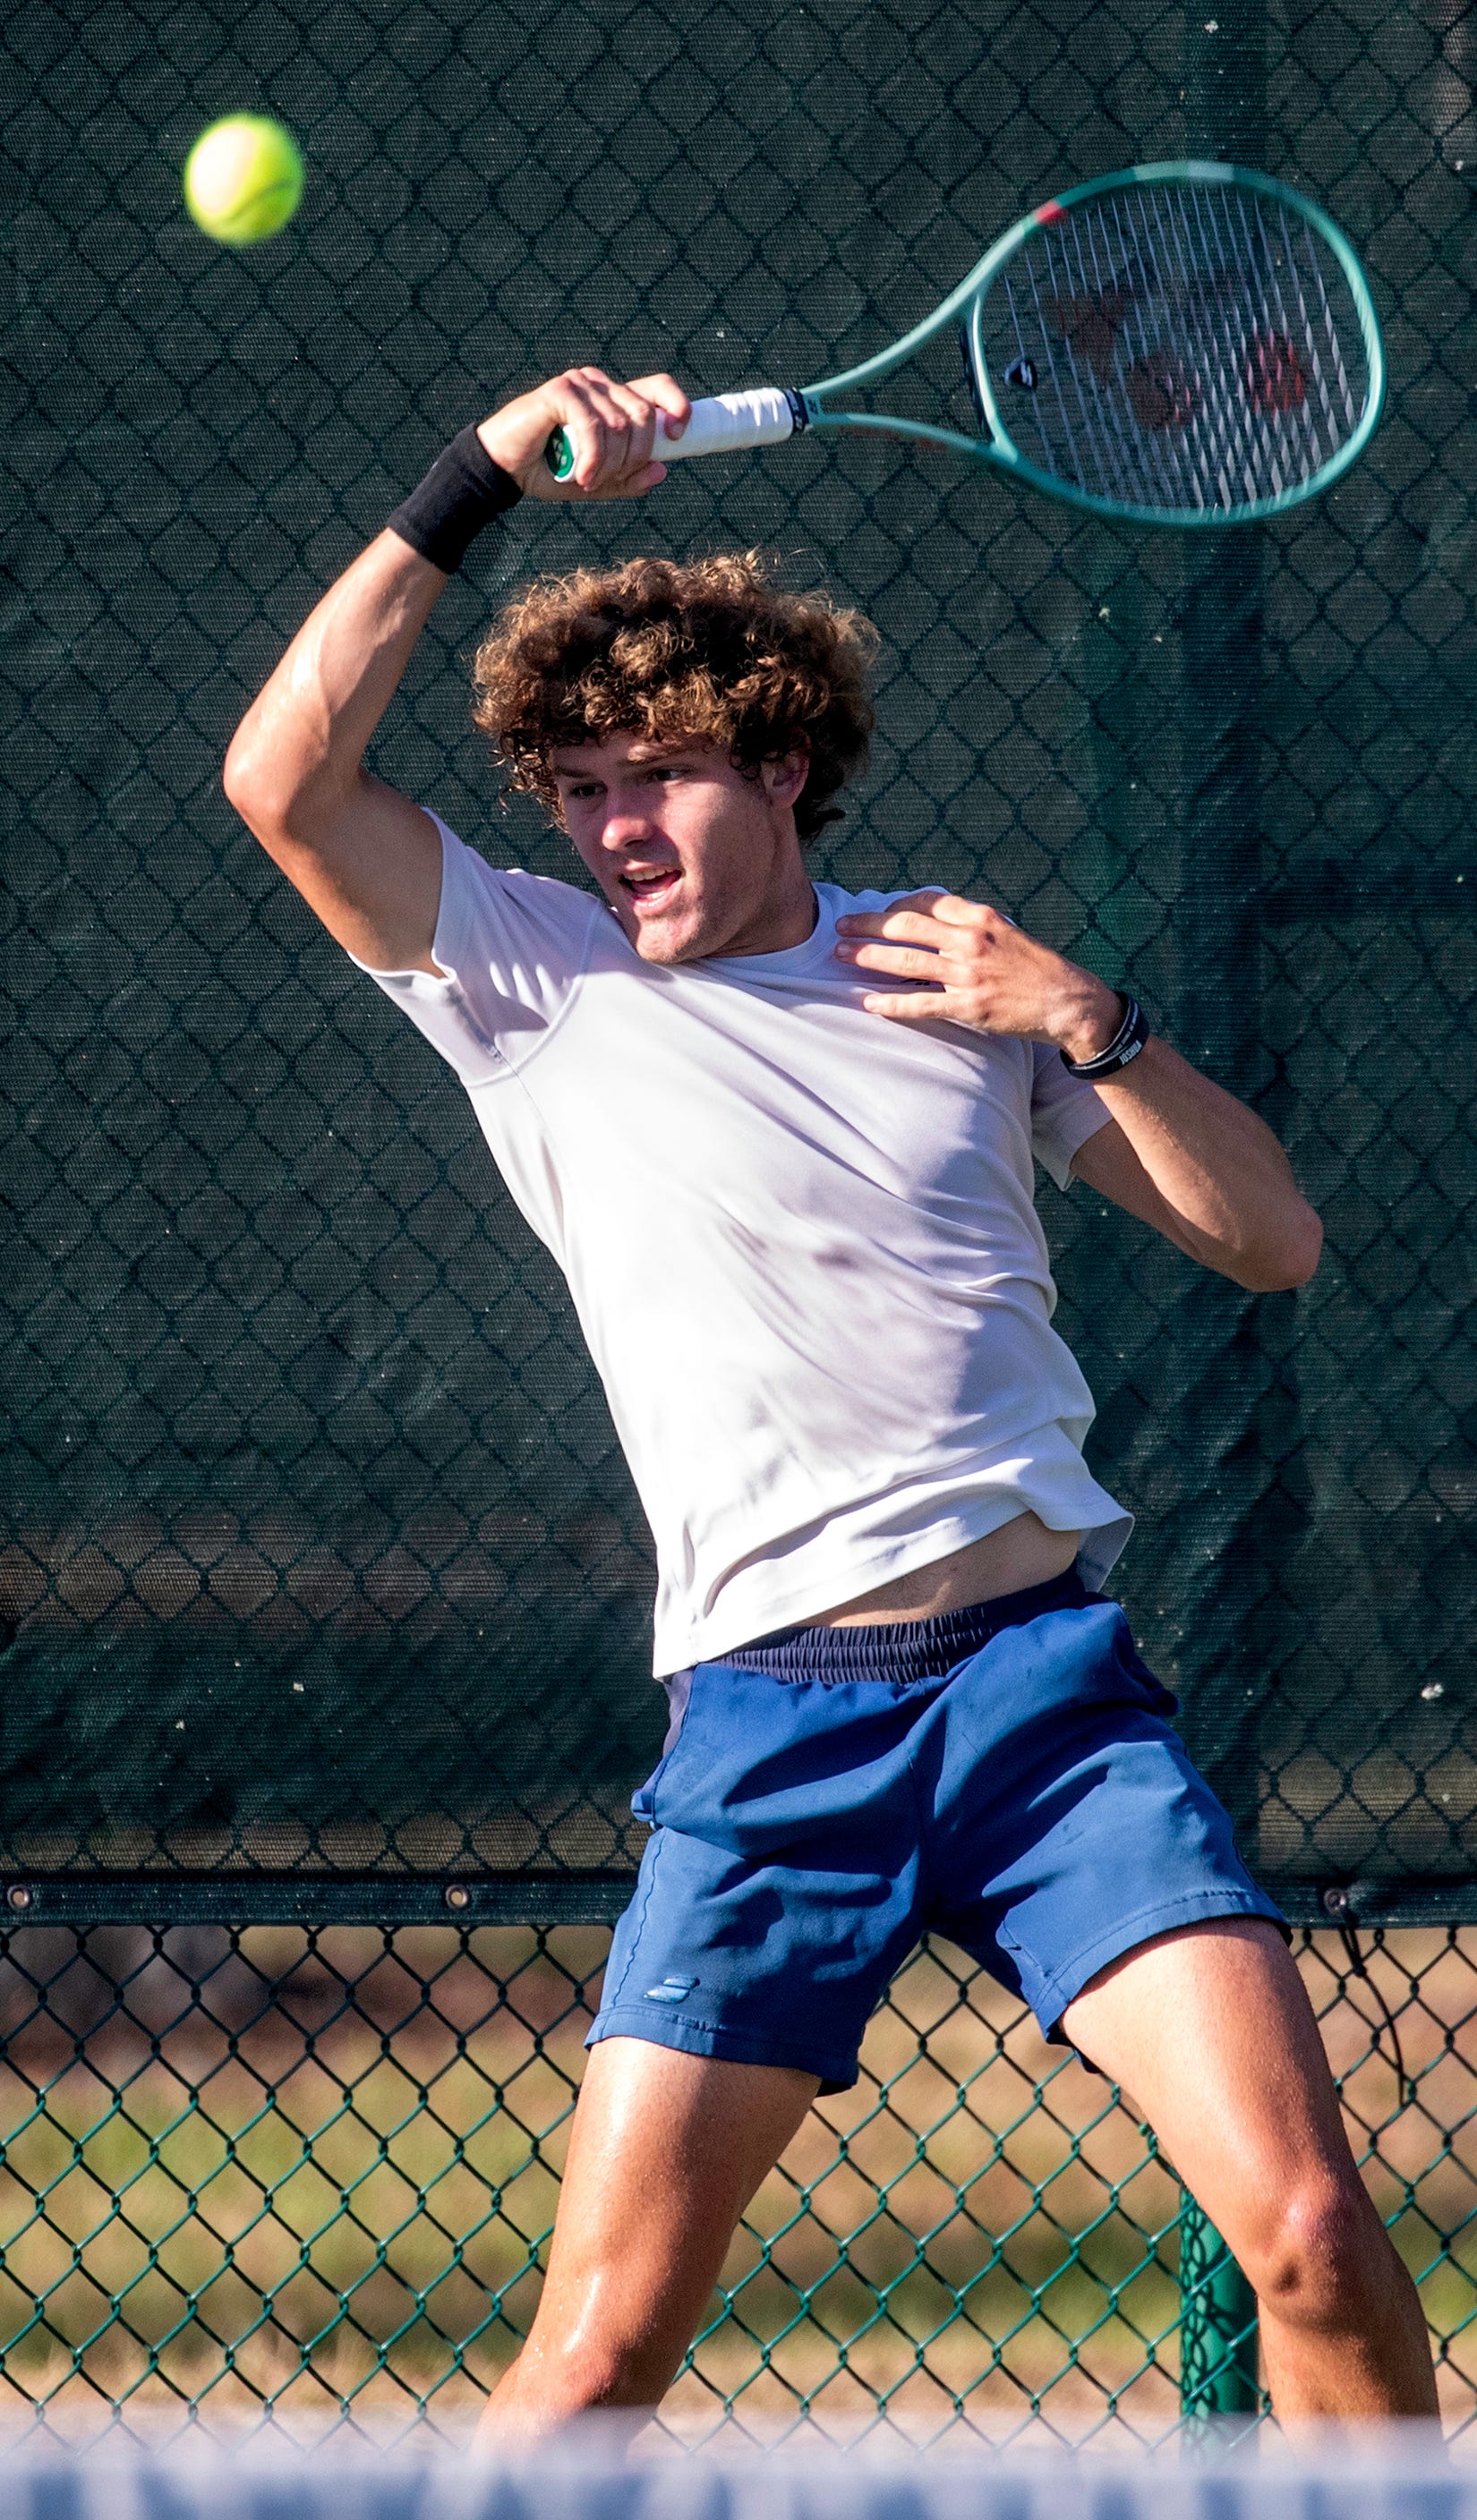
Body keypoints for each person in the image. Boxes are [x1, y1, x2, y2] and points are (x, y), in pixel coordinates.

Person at [224, 368, 1438, 2432]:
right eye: (581, 787)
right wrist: (475, 476)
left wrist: (1090, 1018)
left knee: (1313, 2231)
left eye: (660, 778)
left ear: (784, 765)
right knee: (599, 2356)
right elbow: (283, 778)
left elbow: (1271, 1238)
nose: (615, 828)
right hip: (774, 1730)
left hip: (1049, 1706)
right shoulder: (535, 985)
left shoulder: (948, 977)